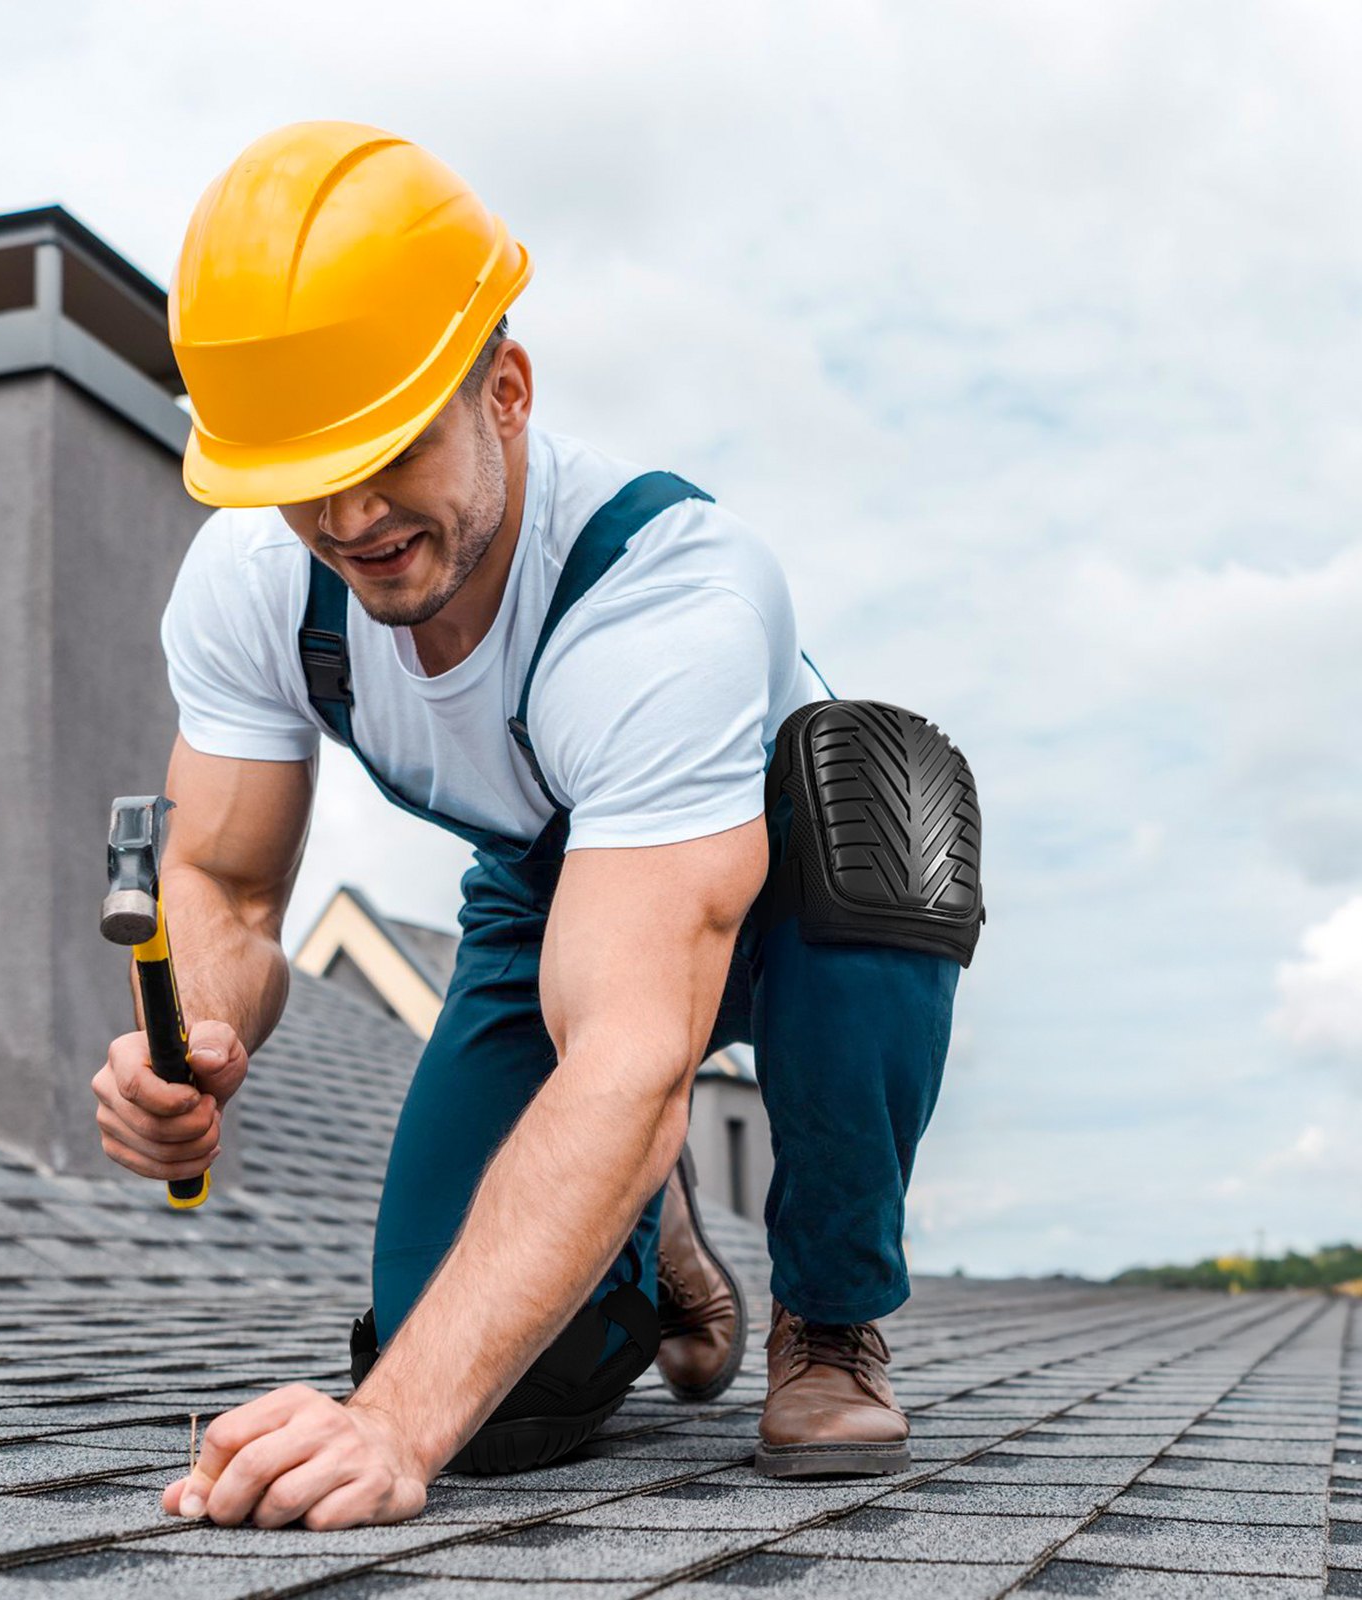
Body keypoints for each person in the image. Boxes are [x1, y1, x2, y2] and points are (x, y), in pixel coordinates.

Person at [89, 121, 982, 1531]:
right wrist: (195, 1041)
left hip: (790, 871)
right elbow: (219, 882)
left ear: (504, 390)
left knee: (877, 808)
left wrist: (390, 1429)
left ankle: (830, 1313)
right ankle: (658, 1239)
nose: (352, 513)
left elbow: (630, 1048)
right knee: (492, 1405)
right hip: (548, 883)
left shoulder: (665, 602)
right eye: (307, 471)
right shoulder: (256, 583)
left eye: (387, 449)